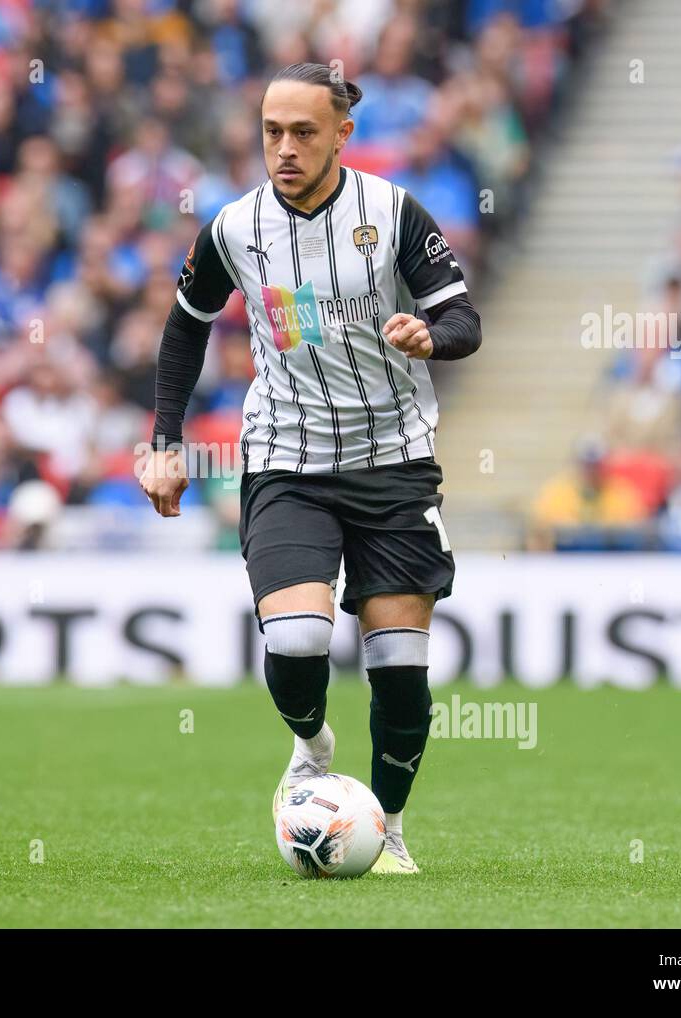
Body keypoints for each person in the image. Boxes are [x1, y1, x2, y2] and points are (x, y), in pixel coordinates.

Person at [139, 63, 482, 874]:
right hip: (289, 458)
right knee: (295, 640)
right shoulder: (232, 228)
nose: (284, 148)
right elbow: (185, 327)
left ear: (341, 134)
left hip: (393, 460)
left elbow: (462, 315)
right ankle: (312, 741)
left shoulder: (392, 213)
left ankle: (388, 830)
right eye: (271, 132)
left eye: (302, 132)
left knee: (398, 669)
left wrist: (432, 337)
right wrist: (165, 440)